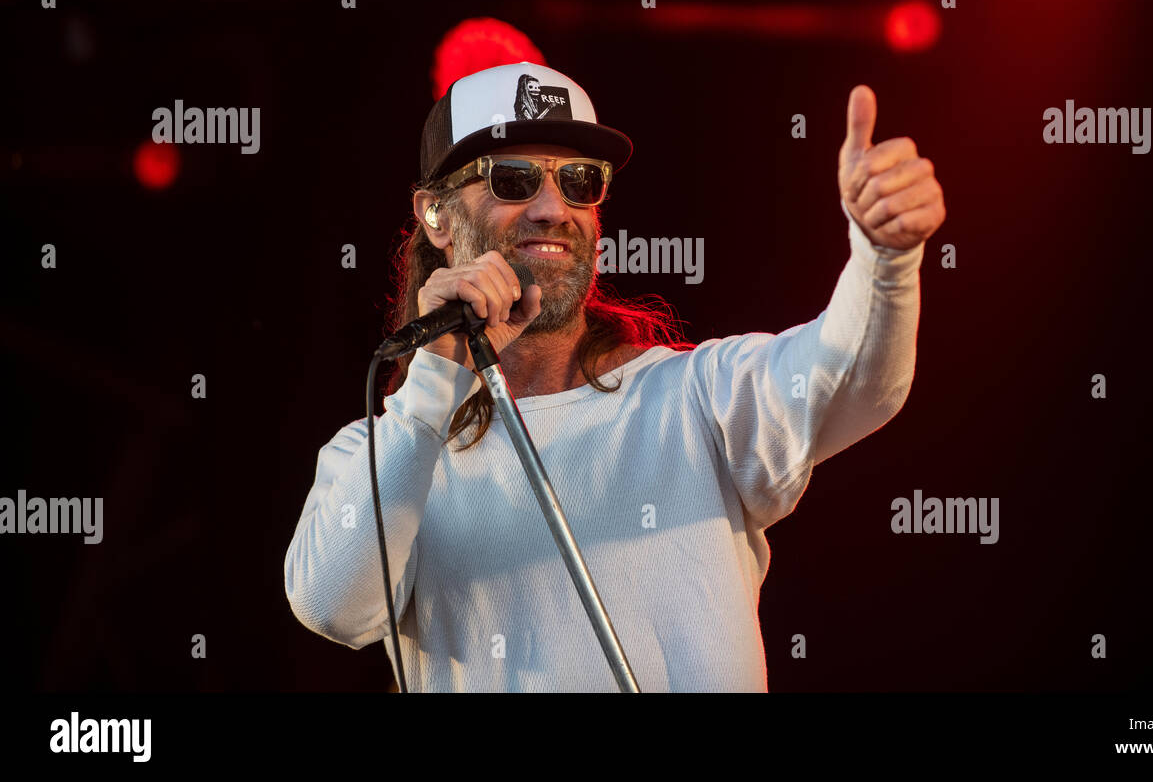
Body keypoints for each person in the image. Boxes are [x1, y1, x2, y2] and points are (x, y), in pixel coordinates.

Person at [283, 61, 945, 691]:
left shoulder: (691, 397)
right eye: (514, 179)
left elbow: (853, 380)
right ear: (435, 214)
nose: (552, 209)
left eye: (579, 181)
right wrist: (431, 388)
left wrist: (885, 256)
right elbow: (331, 606)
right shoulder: (384, 453)